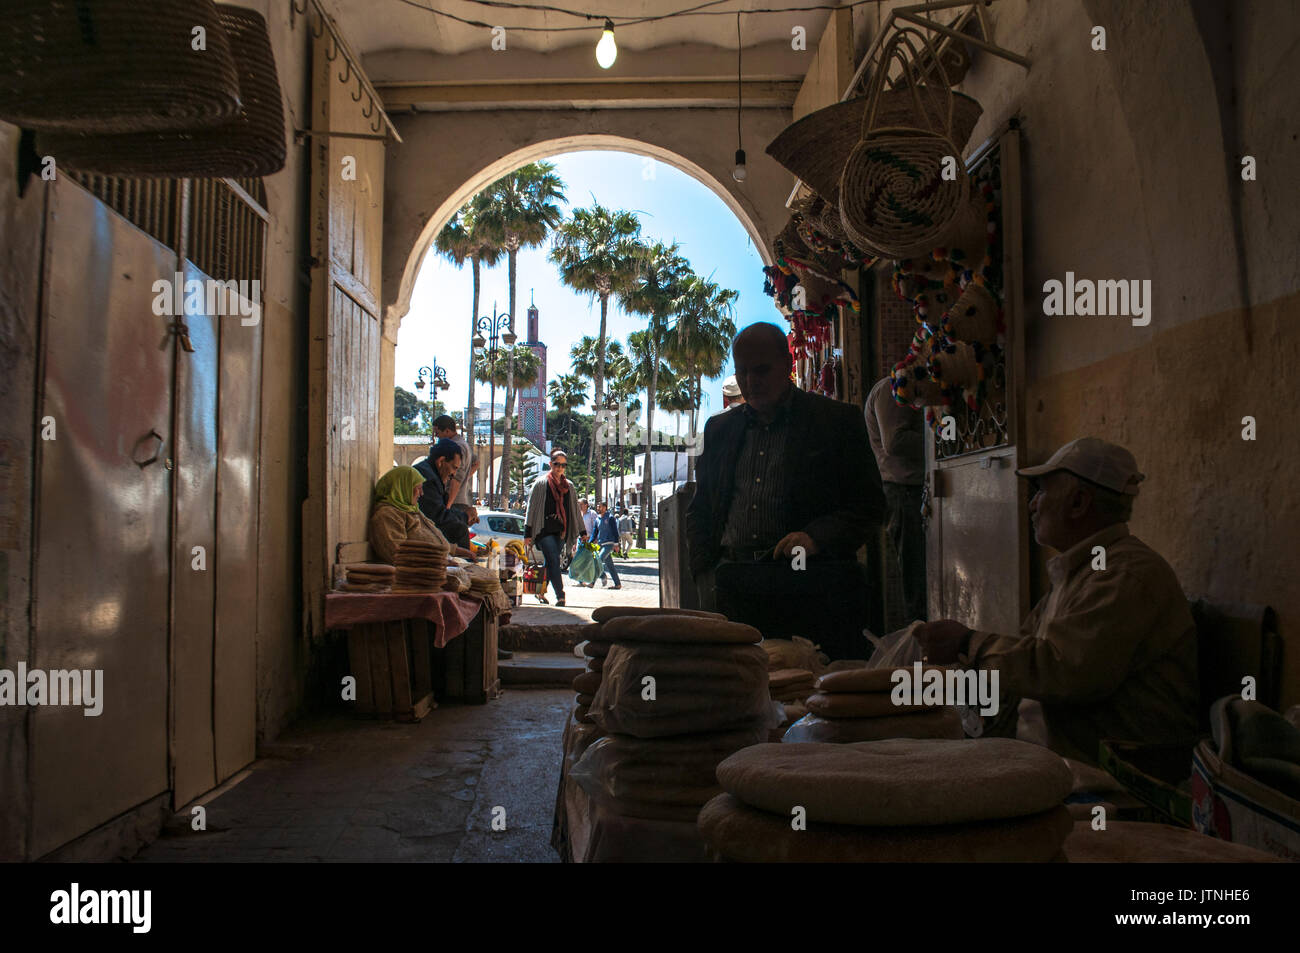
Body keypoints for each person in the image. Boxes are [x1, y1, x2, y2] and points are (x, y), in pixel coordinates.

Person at [915, 437, 1200, 766]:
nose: (1033, 505)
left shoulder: (1127, 575)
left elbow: (1064, 671)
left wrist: (968, 641)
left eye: (1042, 492)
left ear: (1078, 503)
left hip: (1107, 774)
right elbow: (1026, 656)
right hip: (1057, 757)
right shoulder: (1081, 571)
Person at [686, 322, 885, 660]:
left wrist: (815, 538)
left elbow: (870, 505)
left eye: (761, 370)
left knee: (811, 697)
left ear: (788, 363)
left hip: (814, 589)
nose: (751, 382)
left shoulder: (835, 422)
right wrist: (706, 574)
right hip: (737, 589)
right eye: (743, 372)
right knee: (741, 698)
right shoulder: (719, 429)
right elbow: (702, 508)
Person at [865, 375, 927, 622]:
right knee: (917, 579)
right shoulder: (892, 389)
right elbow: (895, 442)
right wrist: (939, 437)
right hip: (904, 492)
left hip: (910, 490)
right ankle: (923, 650)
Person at [524, 450, 582, 607]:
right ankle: (560, 595)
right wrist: (527, 533)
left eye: (563, 465)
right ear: (551, 464)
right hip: (543, 530)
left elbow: (575, 511)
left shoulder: (568, 486)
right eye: (557, 464)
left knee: (550, 563)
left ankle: (540, 591)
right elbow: (531, 509)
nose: (560, 468)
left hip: (561, 532)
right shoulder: (541, 483)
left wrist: (582, 532)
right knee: (554, 560)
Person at [368, 466, 453, 565]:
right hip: (415, 575)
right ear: (402, 487)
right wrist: (437, 562)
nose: (421, 493)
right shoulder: (387, 515)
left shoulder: (411, 510)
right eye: (418, 488)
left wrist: (455, 550)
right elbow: (397, 554)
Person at [414, 439, 471, 549]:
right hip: (421, 531)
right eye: (454, 468)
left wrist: (464, 515)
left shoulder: (432, 475)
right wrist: (464, 517)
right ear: (441, 461)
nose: (454, 474)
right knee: (459, 529)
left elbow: (441, 509)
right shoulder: (427, 478)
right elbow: (437, 516)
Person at [433, 415, 478, 526]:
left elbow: (456, 479)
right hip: (459, 500)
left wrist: (447, 507)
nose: (436, 437)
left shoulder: (457, 447)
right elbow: (476, 463)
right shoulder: (464, 444)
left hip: (454, 502)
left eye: (437, 433)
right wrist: (465, 478)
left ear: (447, 431)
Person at [594, 502, 623, 590]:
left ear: (605, 508)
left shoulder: (610, 518)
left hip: (609, 544)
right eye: (598, 507)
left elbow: (615, 531)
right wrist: (590, 542)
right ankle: (617, 584)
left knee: (598, 560)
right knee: (610, 566)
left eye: (600, 507)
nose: (598, 508)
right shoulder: (597, 519)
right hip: (601, 544)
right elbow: (595, 532)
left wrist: (616, 544)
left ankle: (593, 582)